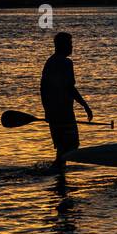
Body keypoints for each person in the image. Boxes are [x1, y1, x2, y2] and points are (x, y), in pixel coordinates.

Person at [40, 32, 93, 171]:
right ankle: (57, 170)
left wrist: (47, 111)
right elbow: (69, 88)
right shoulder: (66, 63)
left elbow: (43, 89)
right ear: (62, 45)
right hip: (65, 113)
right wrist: (85, 105)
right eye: (70, 44)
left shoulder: (49, 62)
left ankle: (59, 177)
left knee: (62, 147)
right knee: (71, 145)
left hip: (54, 113)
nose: (72, 47)